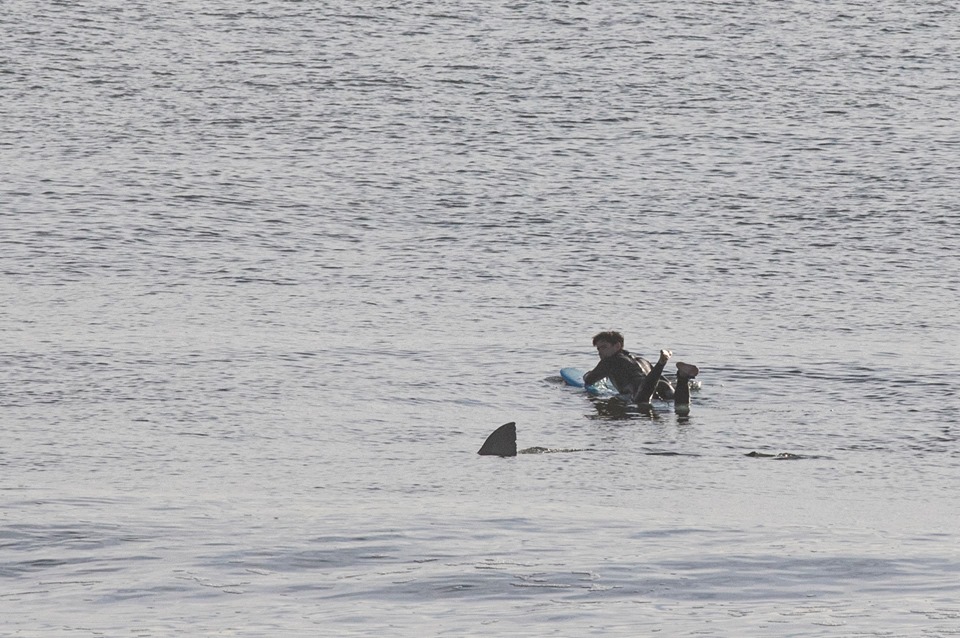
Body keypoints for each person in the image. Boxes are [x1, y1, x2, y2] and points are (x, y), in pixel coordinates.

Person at [583, 331, 699, 409]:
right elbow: (665, 381)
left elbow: (589, 380)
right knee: (681, 406)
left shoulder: (609, 361)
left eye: (604, 347)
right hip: (662, 385)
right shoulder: (641, 360)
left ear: (617, 346)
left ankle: (661, 363)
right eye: (598, 349)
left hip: (642, 390)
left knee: (641, 402)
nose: (600, 352)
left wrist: (586, 375)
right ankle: (683, 377)